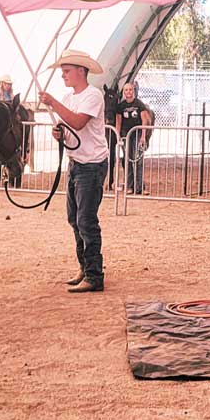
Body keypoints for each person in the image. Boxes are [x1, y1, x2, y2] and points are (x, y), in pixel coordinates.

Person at [39, 49, 109, 293]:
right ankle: (86, 267)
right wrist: (59, 133)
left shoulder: (93, 95)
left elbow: (79, 122)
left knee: (86, 220)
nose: (63, 76)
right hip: (77, 163)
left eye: (66, 72)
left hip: (91, 165)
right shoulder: (69, 99)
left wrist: (53, 102)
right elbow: (70, 128)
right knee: (75, 219)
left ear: (81, 71)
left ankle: (94, 274)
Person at [115, 82, 152, 195]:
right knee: (127, 160)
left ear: (134, 91)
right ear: (123, 92)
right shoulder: (121, 106)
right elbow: (118, 122)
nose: (128, 92)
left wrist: (143, 137)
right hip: (126, 135)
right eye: (126, 90)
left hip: (137, 134)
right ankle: (129, 186)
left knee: (138, 160)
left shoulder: (139, 104)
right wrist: (118, 136)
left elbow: (144, 121)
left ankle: (139, 187)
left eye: (130, 90)